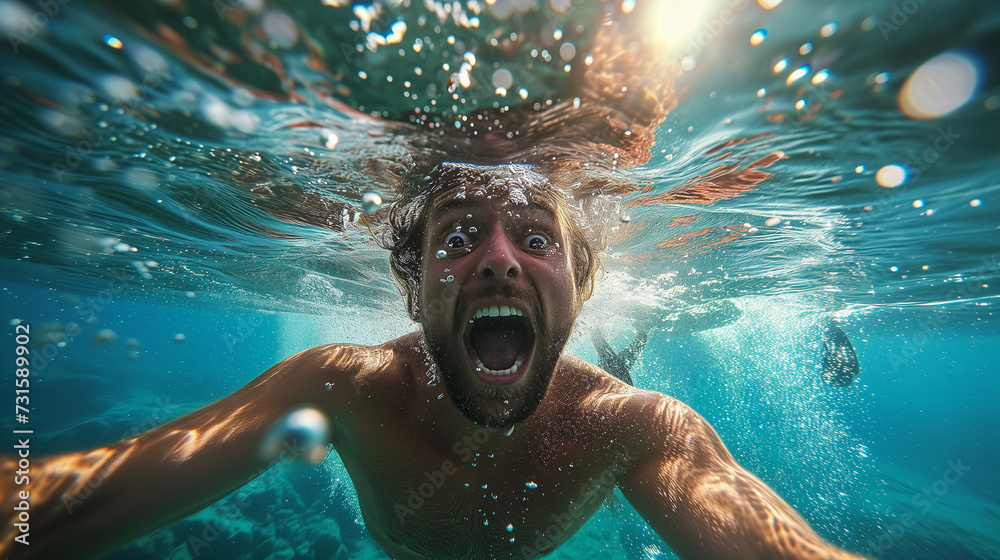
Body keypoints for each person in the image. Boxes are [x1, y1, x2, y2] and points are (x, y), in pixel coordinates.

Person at [1, 162, 865, 560]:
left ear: (584, 279)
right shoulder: (345, 382)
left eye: (536, 238)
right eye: (458, 236)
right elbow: (59, 507)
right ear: (413, 288)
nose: (498, 259)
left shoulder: (640, 426)